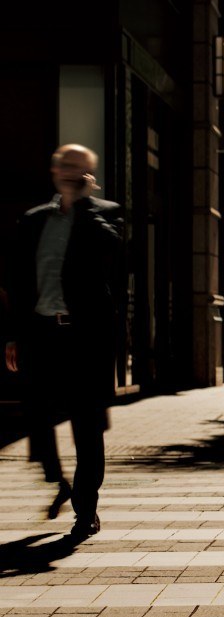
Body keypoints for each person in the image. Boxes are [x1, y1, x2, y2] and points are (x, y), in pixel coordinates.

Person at [3, 144, 122, 539]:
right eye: (66, 166)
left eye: (80, 168)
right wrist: (12, 336)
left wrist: (82, 205)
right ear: (54, 171)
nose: (71, 173)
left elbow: (112, 255)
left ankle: (85, 510)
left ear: (90, 175)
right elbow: (17, 281)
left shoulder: (104, 213)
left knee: (87, 427)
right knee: (37, 418)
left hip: (85, 336)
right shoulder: (33, 220)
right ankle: (59, 482)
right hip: (41, 333)